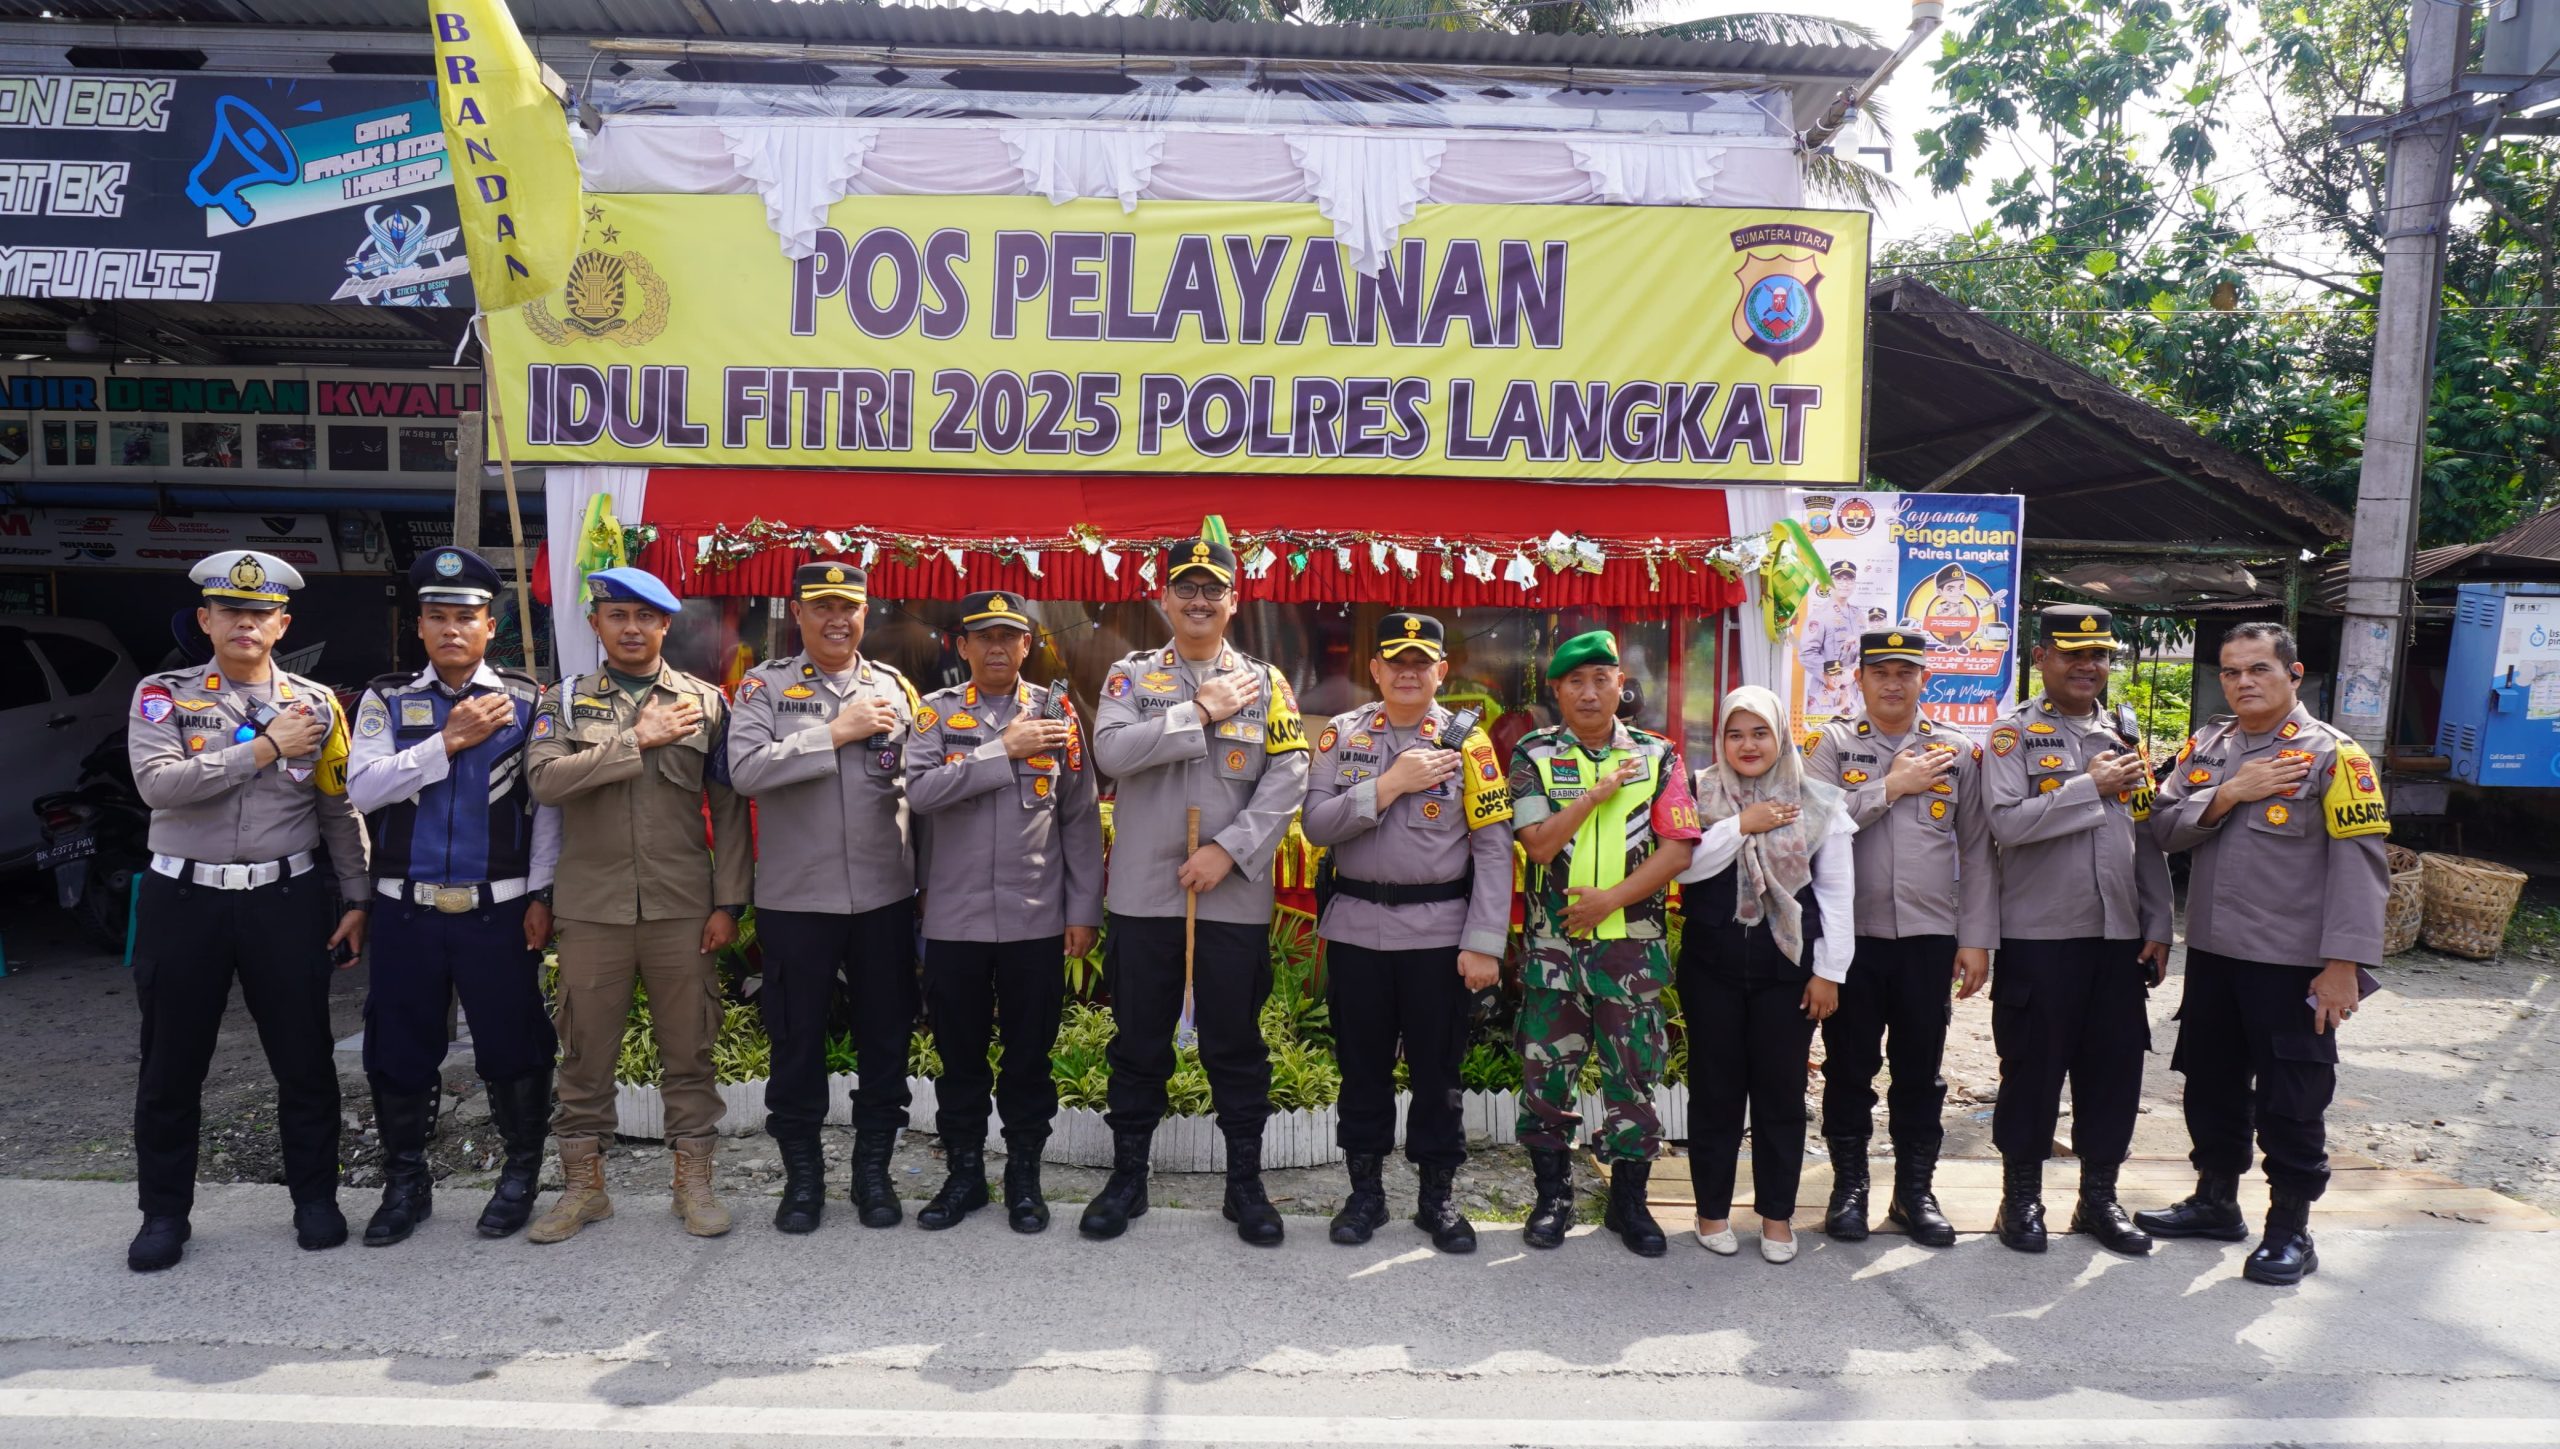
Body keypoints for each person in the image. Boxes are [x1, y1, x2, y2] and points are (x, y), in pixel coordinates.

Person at [124, 550, 370, 1272]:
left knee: (305, 1060)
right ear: (205, 620)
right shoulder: (162, 696)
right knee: (171, 1065)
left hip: (284, 898)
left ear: (282, 623)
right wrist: (263, 748)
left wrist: (357, 896)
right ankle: (163, 1214)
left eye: (260, 613)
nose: (245, 623)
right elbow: (157, 784)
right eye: (230, 610)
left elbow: (337, 806)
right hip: (184, 899)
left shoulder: (318, 705)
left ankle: (316, 1200)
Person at [1081, 519, 1311, 1245]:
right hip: (1146, 895)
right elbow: (1111, 752)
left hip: (1231, 896)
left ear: (1234, 600)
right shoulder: (1131, 675)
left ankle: (1245, 1184)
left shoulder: (1268, 683)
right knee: (1139, 1040)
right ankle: (1128, 1179)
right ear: (1165, 598)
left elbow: (1290, 773)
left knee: (1236, 1045)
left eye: (1213, 589)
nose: (1200, 600)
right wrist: (1198, 710)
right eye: (1188, 588)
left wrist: (1230, 851)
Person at [2138, 622, 2389, 1285]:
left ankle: (2290, 1230)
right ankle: (2215, 1201)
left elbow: (2361, 868)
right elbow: (2161, 828)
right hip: (2218, 957)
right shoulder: (2210, 745)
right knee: (2210, 1085)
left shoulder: (2335, 755)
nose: (2243, 681)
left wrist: (2343, 967)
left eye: (2258, 669)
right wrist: (2227, 793)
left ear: (2293, 674)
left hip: (2293, 964)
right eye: (2230, 671)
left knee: (2292, 1100)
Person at [526, 566, 752, 1242]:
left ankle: (694, 1184)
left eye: (643, 617)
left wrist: (730, 902)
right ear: (595, 623)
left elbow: (731, 810)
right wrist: (636, 740)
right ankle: (583, 1190)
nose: (630, 628)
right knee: (585, 1050)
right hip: (592, 908)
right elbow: (544, 781)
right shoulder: (562, 703)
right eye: (616, 614)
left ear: (665, 625)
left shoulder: (706, 703)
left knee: (691, 1048)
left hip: (683, 905)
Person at [344, 547, 559, 1246]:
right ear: (420, 626)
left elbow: (548, 809)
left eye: (465, 616)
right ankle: (406, 1182)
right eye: (437, 616)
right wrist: (447, 740)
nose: (452, 630)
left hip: (498, 906)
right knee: (399, 1050)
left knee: (514, 1046)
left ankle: (520, 1174)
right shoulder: (385, 696)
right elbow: (363, 789)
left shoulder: (528, 700)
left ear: (489, 625)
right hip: (406, 906)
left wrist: (542, 892)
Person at [1299, 612, 1514, 1255]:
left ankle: (1436, 1197)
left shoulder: (1469, 747)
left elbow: (1495, 848)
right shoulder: (1342, 735)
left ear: (1442, 671)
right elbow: (1316, 825)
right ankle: (1365, 1194)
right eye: (1397, 660)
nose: (1409, 671)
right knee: (1361, 1070)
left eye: (1423, 661)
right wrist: (1388, 785)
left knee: (1436, 1072)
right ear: (1376, 670)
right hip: (1359, 932)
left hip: (1439, 936)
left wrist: (1484, 942)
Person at [727, 561, 926, 1234]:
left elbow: (920, 791)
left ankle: (873, 1172)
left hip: (883, 897)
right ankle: (804, 1178)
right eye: (823, 606)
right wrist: (834, 731)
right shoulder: (766, 687)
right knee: (796, 1040)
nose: (837, 617)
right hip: (797, 899)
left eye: (850, 605)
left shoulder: (898, 690)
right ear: (799, 611)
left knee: (886, 1041)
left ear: (866, 612)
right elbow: (746, 769)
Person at [903, 589, 1103, 1234]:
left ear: (1026, 646)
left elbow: (1077, 817)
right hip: (955, 918)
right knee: (959, 1058)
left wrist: (1083, 912)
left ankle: (1024, 1177)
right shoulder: (934, 716)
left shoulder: (1057, 716)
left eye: (1008, 637)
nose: (995, 647)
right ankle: (964, 1176)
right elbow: (922, 792)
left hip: (1035, 918)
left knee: (1028, 1059)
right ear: (961, 647)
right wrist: (1000, 751)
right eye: (982, 637)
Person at [1982, 604, 2172, 1256]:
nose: (2088, 666)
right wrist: (2086, 786)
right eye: (2072, 653)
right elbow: (2006, 823)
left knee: (2114, 1070)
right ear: (2041, 658)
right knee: (2033, 1071)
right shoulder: (2011, 737)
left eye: (2098, 655)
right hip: (2041, 936)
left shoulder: (2124, 732)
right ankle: (2022, 1198)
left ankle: (2098, 1197)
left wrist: (2160, 920)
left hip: (2118, 935)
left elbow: (2144, 833)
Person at [1506, 630, 1701, 1257]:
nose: (1589, 693)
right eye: (1575, 682)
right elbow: (1536, 843)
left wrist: (1609, 901)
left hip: (1630, 954)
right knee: (1546, 1080)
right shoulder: (1532, 755)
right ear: (1556, 690)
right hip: (1553, 956)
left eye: (1601, 679)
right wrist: (1592, 797)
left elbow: (1677, 848)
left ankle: (1629, 1202)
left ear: (1621, 684)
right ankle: (1553, 1197)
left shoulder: (1660, 755)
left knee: (1634, 1081)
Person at [1801, 630, 1998, 1247]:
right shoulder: (1830, 744)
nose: (1892, 682)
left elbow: (1978, 850)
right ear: (1858, 679)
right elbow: (1810, 824)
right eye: (1880, 671)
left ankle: (1916, 1191)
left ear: (1924, 680)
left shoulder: (1958, 751)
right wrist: (1891, 786)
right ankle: (1849, 1188)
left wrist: (1976, 938)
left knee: (1922, 1071)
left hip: (1928, 937)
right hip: (1849, 940)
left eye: (1905, 672)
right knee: (1850, 1067)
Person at [1674, 685, 1854, 1264]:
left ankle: (1777, 1216)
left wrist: (1829, 972)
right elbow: (1686, 864)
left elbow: (1837, 894)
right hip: (1711, 967)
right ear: (1719, 739)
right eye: (1735, 733)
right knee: (1715, 1094)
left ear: (1780, 737)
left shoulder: (1819, 800)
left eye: (1759, 732)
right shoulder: (1697, 793)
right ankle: (1711, 1212)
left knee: (1780, 1094)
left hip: (1788, 970)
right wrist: (1741, 824)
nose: (1747, 745)